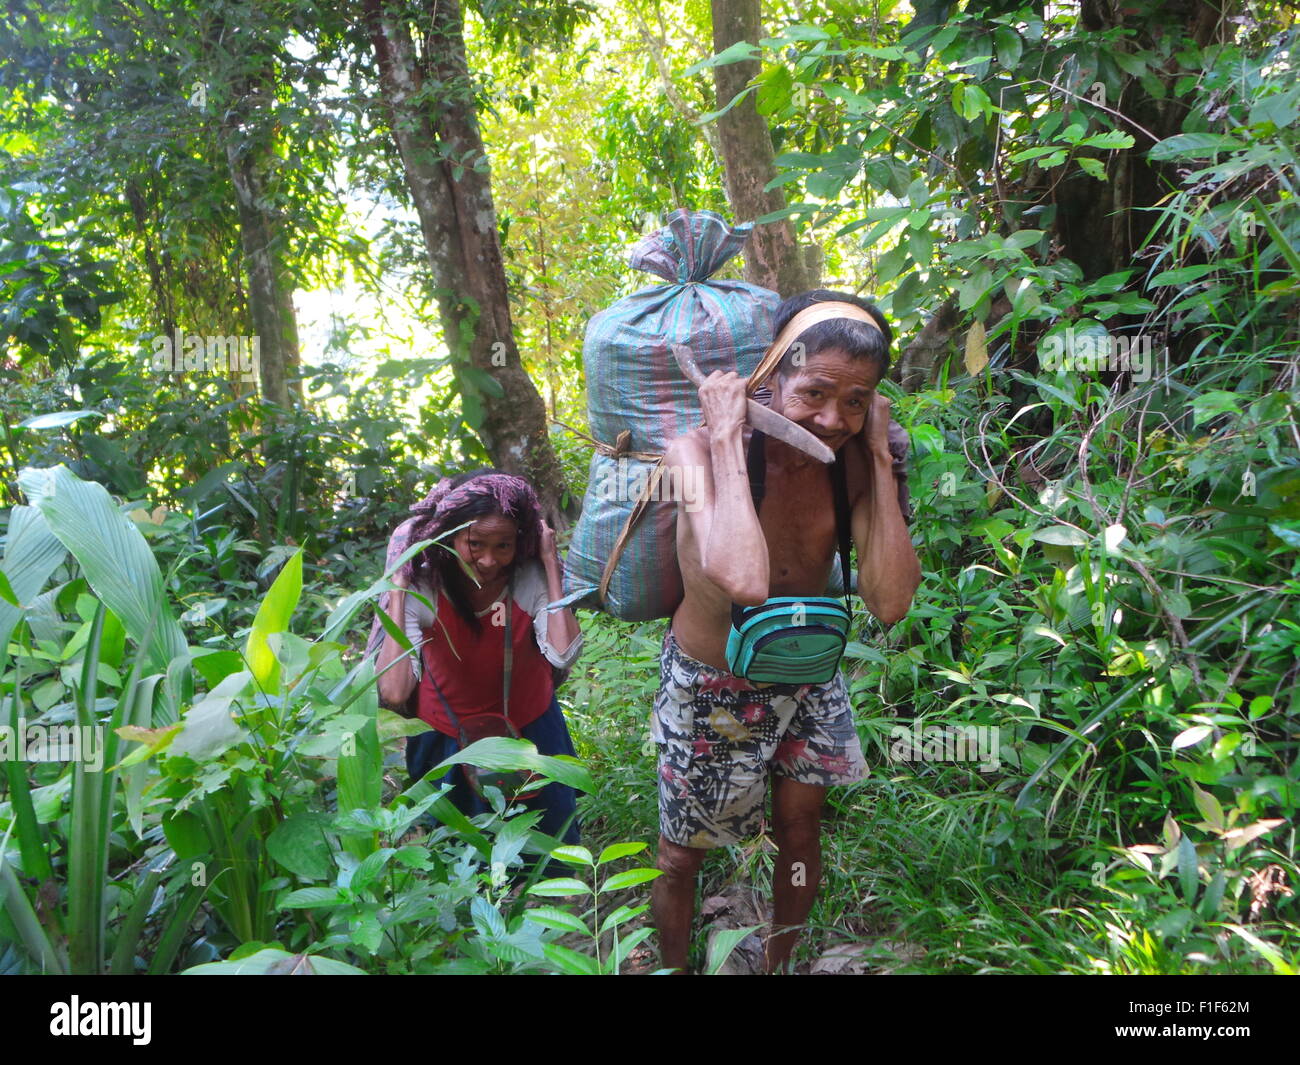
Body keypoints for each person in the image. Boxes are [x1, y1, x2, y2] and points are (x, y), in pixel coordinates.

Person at [650, 290, 922, 973]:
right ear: (770, 375)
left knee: (800, 830)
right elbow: (744, 578)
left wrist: (880, 458)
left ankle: (776, 964)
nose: (832, 419)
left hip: (807, 674)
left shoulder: (854, 463)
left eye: (856, 401)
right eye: (814, 393)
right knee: (682, 855)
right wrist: (725, 434)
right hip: (713, 684)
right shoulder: (692, 453)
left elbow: (891, 601)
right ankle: (675, 968)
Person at [372, 469, 584, 847]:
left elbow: (564, 653)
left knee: (547, 851)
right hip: (446, 740)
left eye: (503, 545)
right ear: (450, 537)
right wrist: (399, 585)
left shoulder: (528, 578)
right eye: (475, 544)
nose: (488, 560)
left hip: (531, 728)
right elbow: (394, 691)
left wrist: (550, 563)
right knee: (460, 856)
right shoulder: (425, 586)